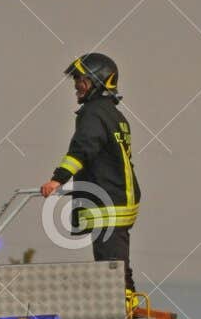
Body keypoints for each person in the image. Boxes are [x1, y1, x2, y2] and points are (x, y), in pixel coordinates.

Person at [40, 53, 140, 289]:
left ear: (99, 81)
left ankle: (124, 312)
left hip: (109, 204)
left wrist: (57, 180)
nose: (77, 86)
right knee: (117, 267)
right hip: (119, 200)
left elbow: (83, 149)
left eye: (81, 80)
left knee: (111, 270)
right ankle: (129, 306)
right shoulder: (114, 115)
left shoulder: (93, 113)